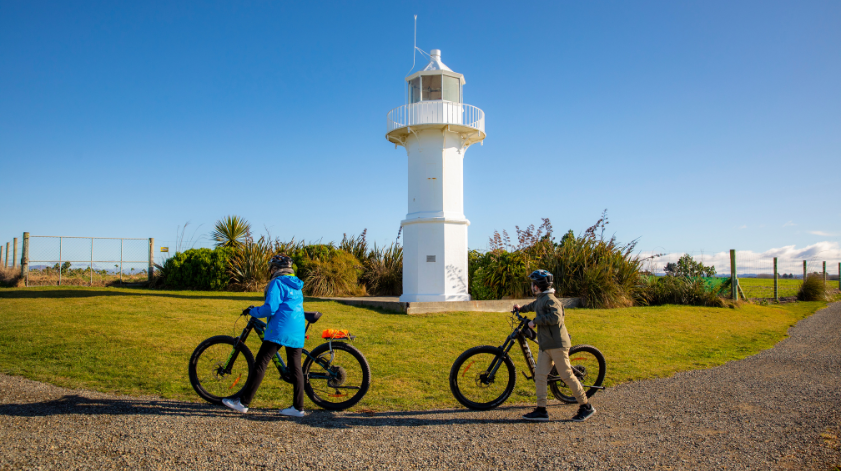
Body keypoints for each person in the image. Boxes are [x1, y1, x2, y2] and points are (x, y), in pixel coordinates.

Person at [222, 255, 307, 417]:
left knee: (261, 362)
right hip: (297, 328)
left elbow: (270, 308)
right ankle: (298, 408)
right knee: (296, 368)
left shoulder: (277, 282)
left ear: (275, 269)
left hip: (280, 328)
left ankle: (243, 403)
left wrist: (253, 311)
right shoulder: (296, 284)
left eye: (271, 268)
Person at [514, 269, 595, 422]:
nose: (532, 286)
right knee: (540, 375)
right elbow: (534, 306)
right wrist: (521, 309)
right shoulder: (541, 299)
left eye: (533, 283)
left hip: (557, 345)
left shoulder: (551, 300)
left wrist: (535, 322)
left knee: (566, 375)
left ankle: (586, 406)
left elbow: (555, 317)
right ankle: (541, 410)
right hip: (546, 345)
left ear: (537, 286)